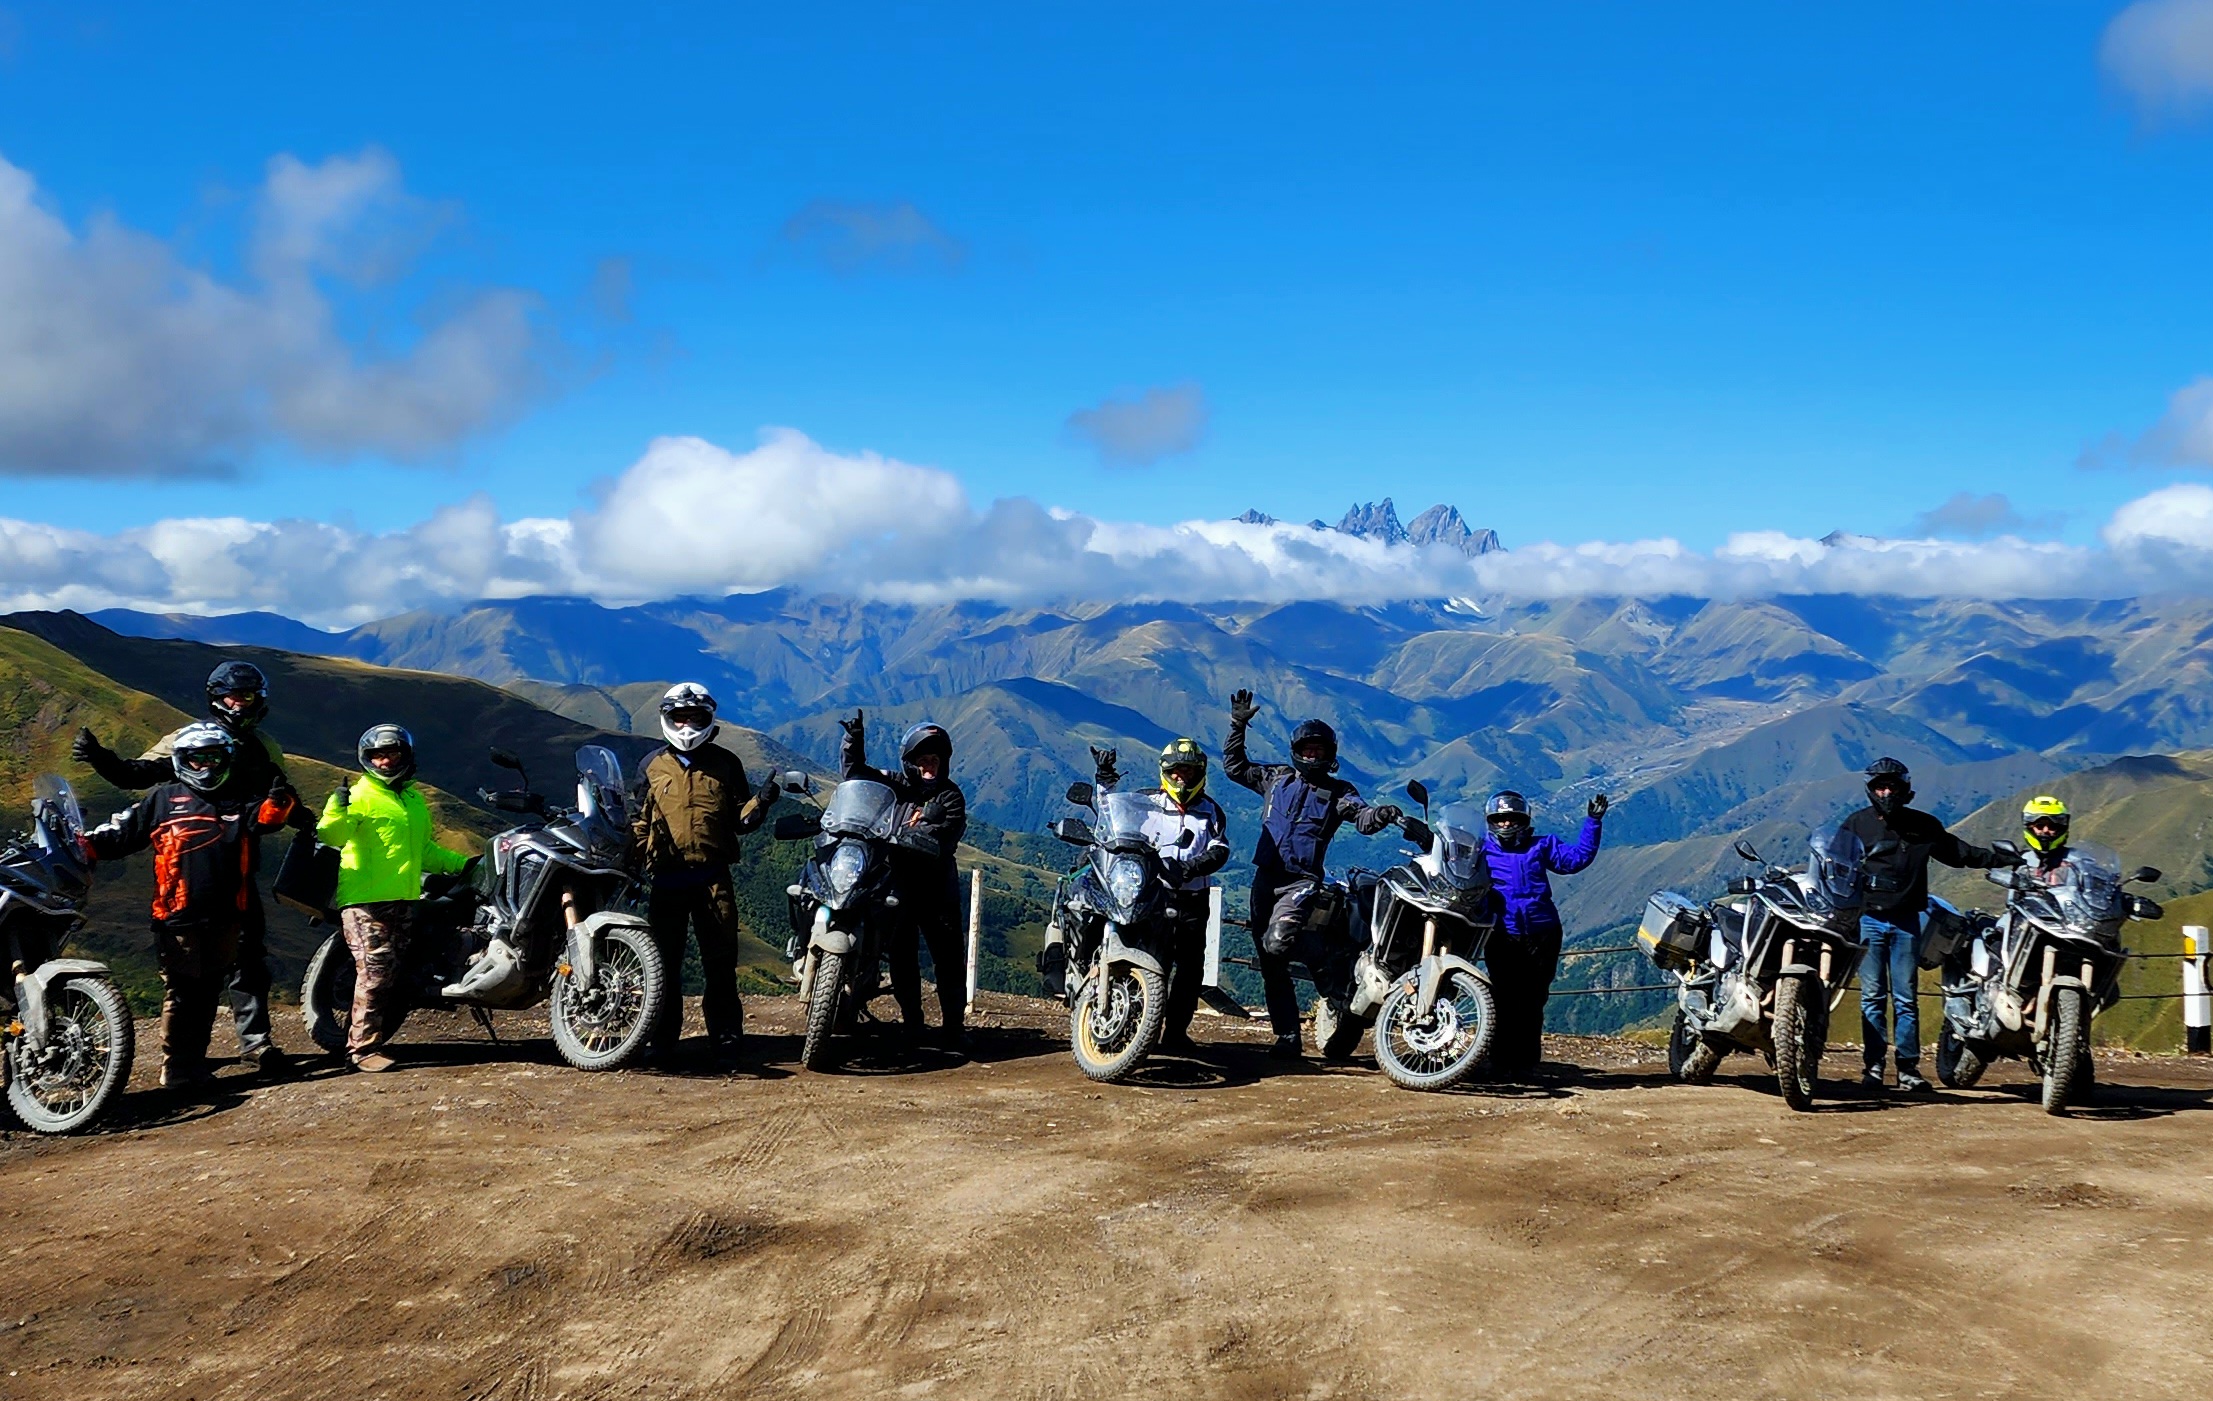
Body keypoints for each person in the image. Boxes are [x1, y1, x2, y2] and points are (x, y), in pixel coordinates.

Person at [71, 660, 307, 1078]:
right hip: (186, 862)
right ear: (216, 698)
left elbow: (280, 796)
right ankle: (184, 1061)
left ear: (259, 701)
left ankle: (255, 1045)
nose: (239, 702)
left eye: (248, 695)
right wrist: (101, 759)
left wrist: (304, 817)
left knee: (249, 956)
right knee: (191, 977)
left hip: (240, 854)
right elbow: (136, 774)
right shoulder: (184, 740)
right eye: (233, 695)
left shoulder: (264, 746)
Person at [1222, 689, 1400, 1059]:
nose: (1312, 754)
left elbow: (1362, 818)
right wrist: (1238, 725)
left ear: (1330, 755)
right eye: (1307, 749)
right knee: (1271, 963)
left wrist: (1381, 814)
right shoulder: (1275, 778)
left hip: (1302, 881)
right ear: (1296, 751)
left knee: (1278, 943)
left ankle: (1325, 960)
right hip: (1264, 877)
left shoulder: (1339, 791)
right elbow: (1235, 767)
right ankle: (1288, 1039)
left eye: (1319, 750)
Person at [1844, 757, 2022, 1094]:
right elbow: (1834, 865)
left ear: (1903, 788)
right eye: (1880, 786)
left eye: (1892, 785)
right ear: (1870, 789)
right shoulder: (1856, 825)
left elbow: (1960, 853)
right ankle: (1874, 1068)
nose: (1886, 791)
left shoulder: (1924, 826)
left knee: (1905, 998)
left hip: (1908, 923)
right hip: (1868, 921)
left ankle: (1909, 1069)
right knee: (1872, 997)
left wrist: (2003, 859)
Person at [629, 683, 779, 1066]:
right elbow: (639, 823)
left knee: (720, 960)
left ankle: (726, 1035)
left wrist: (760, 803)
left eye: (695, 717)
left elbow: (739, 819)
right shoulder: (651, 766)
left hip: (713, 877)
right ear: (667, 719)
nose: (686, 725)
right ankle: (662, 1038)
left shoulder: (727, 764)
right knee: (662, 964)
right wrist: (630, 862)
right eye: (680, 717)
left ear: (709, 720)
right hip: (666, 878)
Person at [316, 725, 474, 1073]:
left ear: (406, 755)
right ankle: (359, 1051)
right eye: (377, 755)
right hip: (366, 900)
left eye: (392, 754)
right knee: (374, 974)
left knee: (393, 975)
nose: (385, 761)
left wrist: (467, 864)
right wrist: (335, 808)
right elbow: (331, 835)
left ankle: (369, 1041)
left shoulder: (412, 799)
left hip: (404, 898)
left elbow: (424, 851)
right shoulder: (358, 795)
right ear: (366, 759)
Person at [1090, 738, 1233, 1057]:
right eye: (1176, 771)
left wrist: (1189, 868)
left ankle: (1176, 1032)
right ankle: (1134, 1025)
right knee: (1151, 958)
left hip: (1193, 898)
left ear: (1200, 774)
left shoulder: (1211, 810)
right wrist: (1105, 780)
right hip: (1152, 893)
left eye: (1189, 771)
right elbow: (1112, 820)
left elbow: (1220, 849)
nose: (1182, 777)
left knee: (1191, 968)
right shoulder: (1147, 801)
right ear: (1165, 771)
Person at [838, 711, 970, 1051]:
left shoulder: (950, 797)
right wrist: (853, 741)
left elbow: (942, 833)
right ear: (911, 763)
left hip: (938, 889)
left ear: (944, 761)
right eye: (923, 759)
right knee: (901, 957)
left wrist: (914, 828)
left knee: (949, 960)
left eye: (935, 759)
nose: (929, 765)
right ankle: (913, 1023)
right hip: (895, 886)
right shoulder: (895, 783)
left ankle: (954, 1029)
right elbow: (856, 776)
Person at [1478, 789, 1606, 1080]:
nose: (1506, 825)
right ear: (1491, 821)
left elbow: (1576, 860)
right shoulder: (1481, 850)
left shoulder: (1542, 845)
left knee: (1534, 998)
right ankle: (1498, 1061)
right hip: (1502, 933)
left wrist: (1593, 822)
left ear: (1523, 820)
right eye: (1500, 820)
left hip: (1543, 932)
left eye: (1512, 819)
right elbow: (1454, 865)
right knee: (1503, 998)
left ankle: (1525, 1063)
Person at [2020, 795, 2071, 881]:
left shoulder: (2076, 861)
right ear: (2029, 828)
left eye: (2052, 826)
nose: (2045, 830)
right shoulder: (2022, 860)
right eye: (2039, 826)